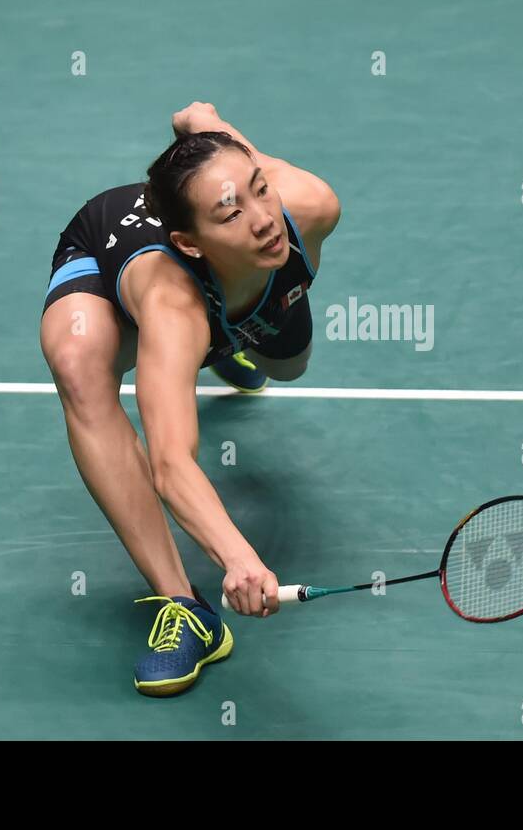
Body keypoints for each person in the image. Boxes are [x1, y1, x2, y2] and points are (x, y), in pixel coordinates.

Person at [38, 102, 341, 695]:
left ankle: (229, 344)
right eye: (231, 213)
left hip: (243, 294)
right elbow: (172, 461)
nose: (262, 221)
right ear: (190, 241)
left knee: (291, 366)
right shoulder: (172, 309)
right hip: (109, 258)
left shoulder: (307, 207)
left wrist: (207, 126)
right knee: (78, 361)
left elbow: (245, 171)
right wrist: (238, 558)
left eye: (260, 193)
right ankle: (185, 607)